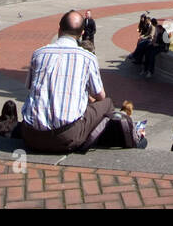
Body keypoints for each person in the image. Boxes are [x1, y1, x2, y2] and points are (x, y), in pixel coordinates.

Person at [19, 10, 114, 153]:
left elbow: (30, 87)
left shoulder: (39, 54)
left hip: (30, 134)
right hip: (66, 137)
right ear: (82, 34)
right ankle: (105, 142)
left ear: (59, 30)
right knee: (107, 104)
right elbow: (100, 96)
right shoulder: (87, 58)